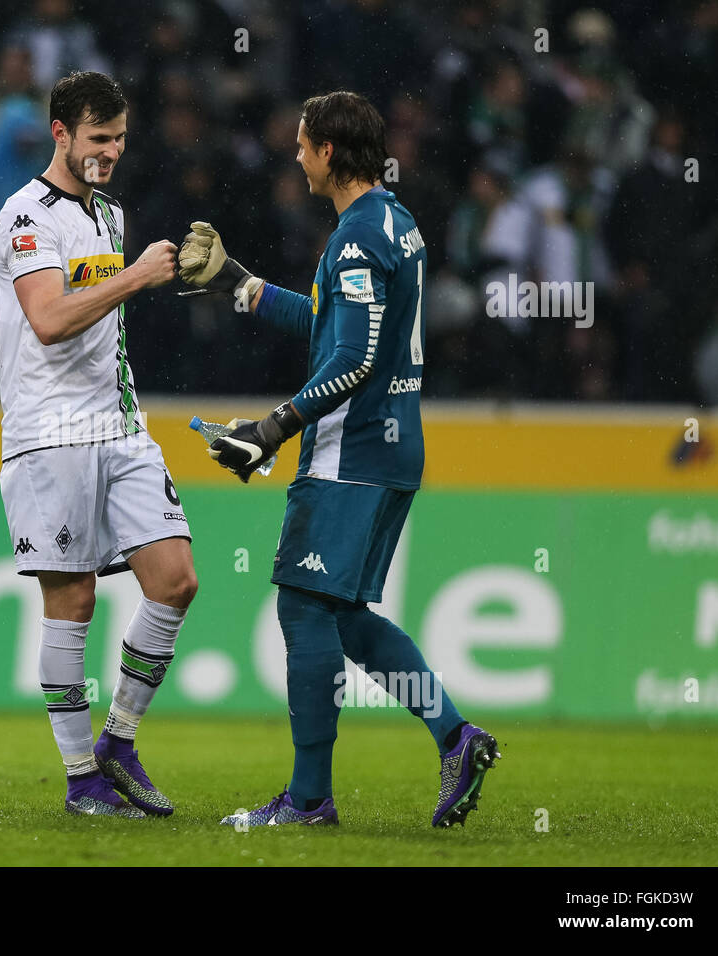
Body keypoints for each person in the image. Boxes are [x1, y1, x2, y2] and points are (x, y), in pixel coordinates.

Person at [178, 91, 500, 828]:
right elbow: (334, 323)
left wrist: (274, 426)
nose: (295, 157)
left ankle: (310, 799)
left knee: (303, 606)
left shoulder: (354, 239)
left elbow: (351, 359)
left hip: (350, 452)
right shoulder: (397, 223)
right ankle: (456, 736)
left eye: (301, 145)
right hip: (394, 448)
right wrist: (237, 281)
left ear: (327, 152)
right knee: (348, 618)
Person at [0, 71, 197, 818]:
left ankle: (119, 741)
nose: (109, 152)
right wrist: (138, 276)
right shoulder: (25, 217)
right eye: (97, 139)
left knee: (175, 580)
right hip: (51, 435)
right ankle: (81, 779)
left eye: (119, 139)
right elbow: (47, 319)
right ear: (61, 134)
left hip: (122, 426)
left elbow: (96, 310)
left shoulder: (108, 212)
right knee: (72, 600)